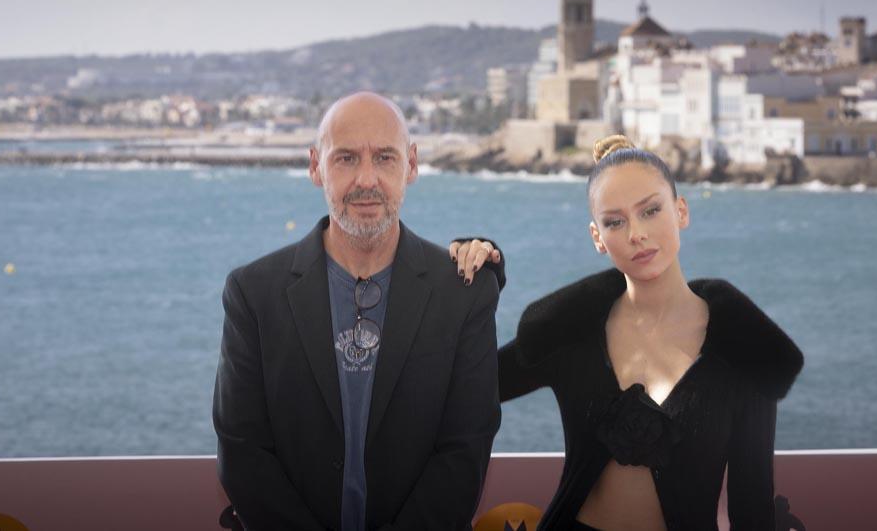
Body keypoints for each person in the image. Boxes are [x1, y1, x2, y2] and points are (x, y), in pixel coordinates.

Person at [453, 135, 804, 530]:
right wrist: (480, 274)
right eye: (615, 221)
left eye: (651, 210)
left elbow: (751, 510)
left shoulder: (745, 349)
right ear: (597, 237)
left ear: (681, 211)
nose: (636, 233)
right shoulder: (567, 332)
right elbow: (465, 386)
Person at [214, 91, 503, 531]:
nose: (366, 179)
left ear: (411, 165)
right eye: (346, 159)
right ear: (316, 167)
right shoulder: (253, 293)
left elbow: (464, 451)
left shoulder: (462, 293)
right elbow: (242, 450)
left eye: (384, 158)